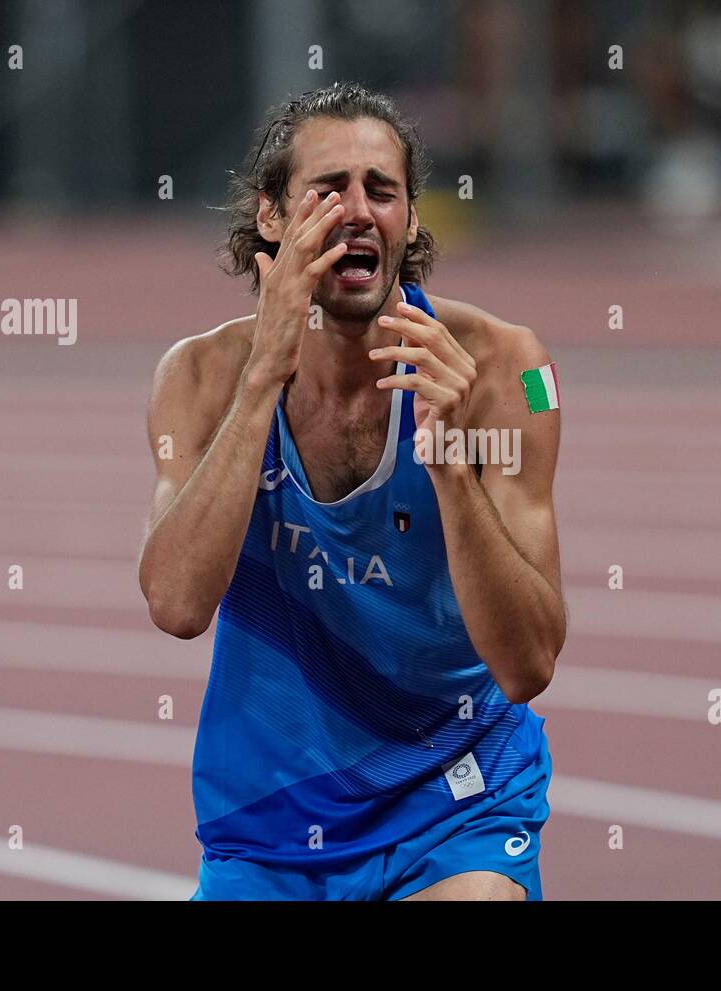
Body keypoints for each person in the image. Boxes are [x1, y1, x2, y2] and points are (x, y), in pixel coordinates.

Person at [137, 82, 565, 900]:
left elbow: (528, 664)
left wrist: (450, 466)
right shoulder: (197, 377)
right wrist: (262, 380)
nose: (359, 211)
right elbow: (177, 604)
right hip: (272, 815)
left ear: (411, 221)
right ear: (271, 216)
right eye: (329, 189)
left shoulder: (512, 370)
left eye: (382, 190)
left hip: (455, 794)